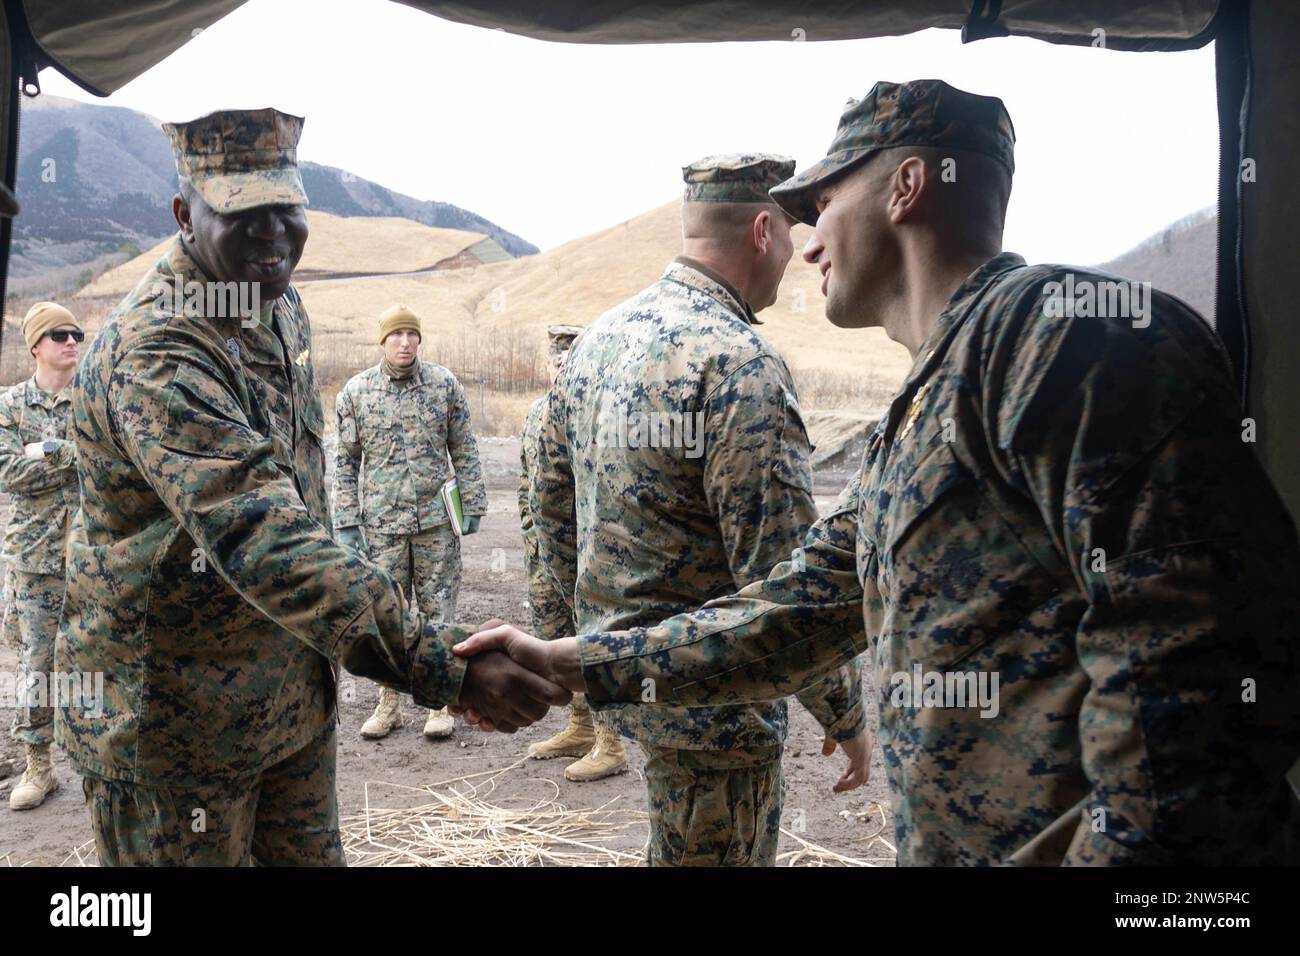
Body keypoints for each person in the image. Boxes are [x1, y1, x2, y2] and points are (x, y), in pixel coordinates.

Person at [456, 80, 1300, 866]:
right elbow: (792, 613)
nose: (808, 239)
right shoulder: (930, 399)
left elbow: (1203, 682)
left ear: (906, 187)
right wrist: (567, 661)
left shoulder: (1069, 341)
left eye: (820, 205)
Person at [56, 107, 567, 866]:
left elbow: (302, 489)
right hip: (174, 728)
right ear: (183, 216)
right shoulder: (158, 347)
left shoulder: (275, 304)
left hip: (289, 700)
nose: (272, 233)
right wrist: (441, 667)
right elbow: (263, 533)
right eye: (242, 212)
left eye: (286, 210)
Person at [521, 154, 869, 866]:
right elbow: (787, 575)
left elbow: (550, 509)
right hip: (716, 700)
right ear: (763, 228)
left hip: (627, 676)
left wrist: (596, 641)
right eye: (792, 232)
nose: (799, 254)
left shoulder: (597, 341)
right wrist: (844, 710)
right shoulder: (738, 362)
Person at [333, 304, 487, 741]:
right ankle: (389, 704)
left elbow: (465, 448)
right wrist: (346, 520)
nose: (404, 342)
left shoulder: (444, 386)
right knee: (388, 616)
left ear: (420, 340)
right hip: (382, 525)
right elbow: (345, 462)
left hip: (437, 524)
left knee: (438, 613)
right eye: (395, 335)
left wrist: (472, 503)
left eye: (411, 334)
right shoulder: (357, 393)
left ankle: (439, 703)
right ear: (382, 341)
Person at [519, 324, 629, 781]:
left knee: (594, 643)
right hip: (544, 556)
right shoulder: (536, 415)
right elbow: (529, 485)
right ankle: (580, 728)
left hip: (591, 558)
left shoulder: (609, 416)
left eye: (571, 363)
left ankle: (612, 743)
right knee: (555, 641)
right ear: (547, 366)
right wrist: (533, 537)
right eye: (556, 363)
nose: (563, 371)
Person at [0, 302, 82, 810]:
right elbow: (7, 473)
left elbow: (106, 458)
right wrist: (70, 455)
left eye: (76, 333)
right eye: (58, 334)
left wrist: (47, 449)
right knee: (39, 664)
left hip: (97, 552)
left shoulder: (95, 399)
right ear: (35, 346)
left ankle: (106, 766)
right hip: (37, 557)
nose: (71, 341)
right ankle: (39, 766)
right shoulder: (8, 406)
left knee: (110, 658)